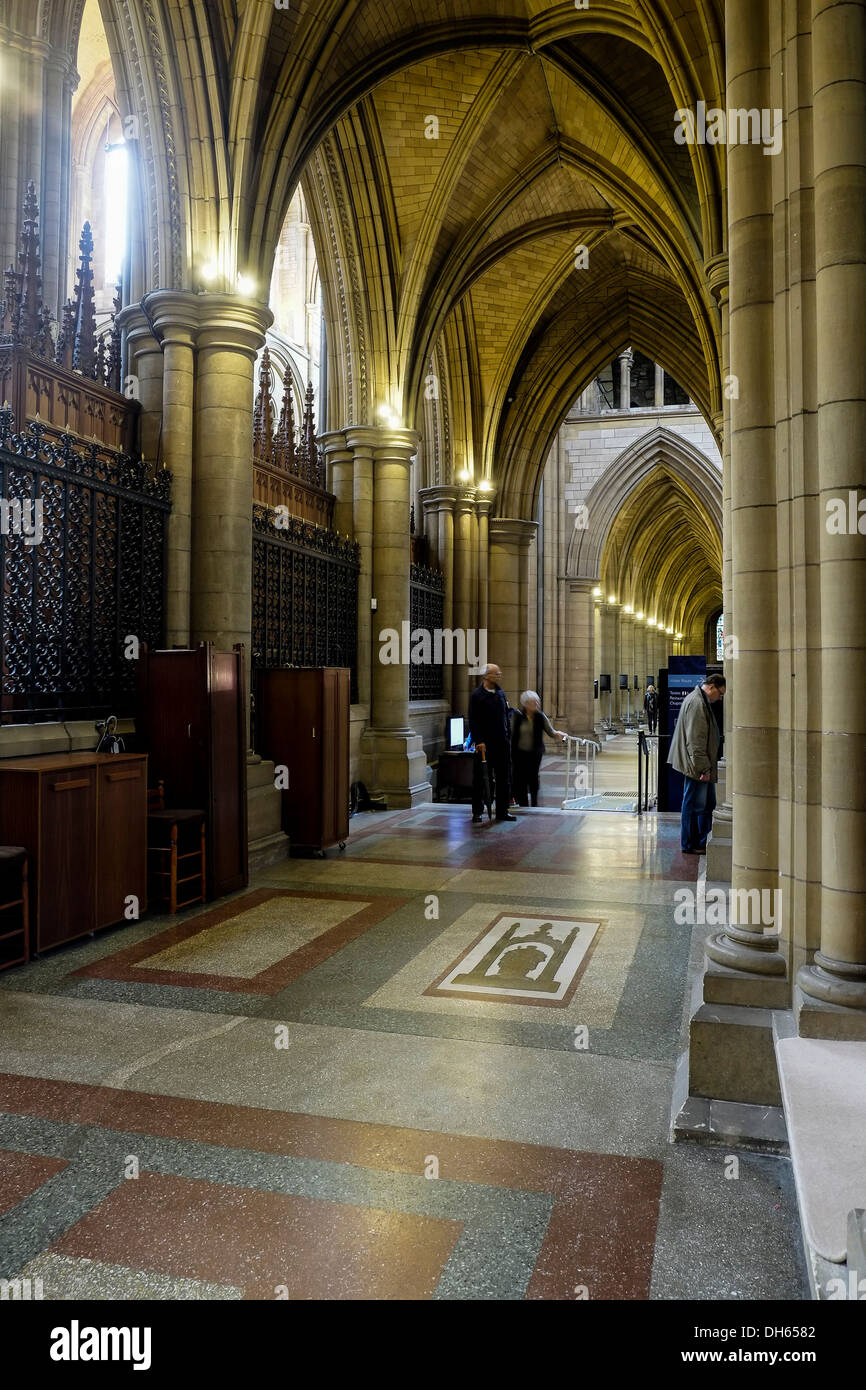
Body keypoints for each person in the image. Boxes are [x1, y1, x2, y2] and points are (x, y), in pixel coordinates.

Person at [667, 673, 726, 855]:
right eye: (720, 693)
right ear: (712, 687)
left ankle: (701, 841)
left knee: (705, 804)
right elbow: (695, 741)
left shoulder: (699, 700)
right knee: (694, 805)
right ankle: (690, 843)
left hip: (698, 763)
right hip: (696, 766)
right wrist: (703, 768)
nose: (720, 698)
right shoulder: (697, 703)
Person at [468, 663, 516, 823]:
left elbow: (505, 715)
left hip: (502, 744)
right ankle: (477, 811)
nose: (499, 676)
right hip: (485, 745)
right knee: (482, 779)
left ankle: (502, 810)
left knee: (504, 779)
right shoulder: (477, 695)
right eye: (496, 673)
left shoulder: (500, 693)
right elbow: (473, 720)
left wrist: (508, 734)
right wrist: (479, 740)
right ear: (487, 676)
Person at [511, 691, 567, 806]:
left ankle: (534, 802)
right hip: (519, 753)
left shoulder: (540, 716)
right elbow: (511, 733)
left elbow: (551, 731)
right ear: (526, 704)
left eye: (537, 702)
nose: (536, 704)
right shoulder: (518, 716)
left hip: (535, 752)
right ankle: (523, 803)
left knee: (533, 777)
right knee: (520, 778)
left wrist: (558, 734)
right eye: (533, 702)